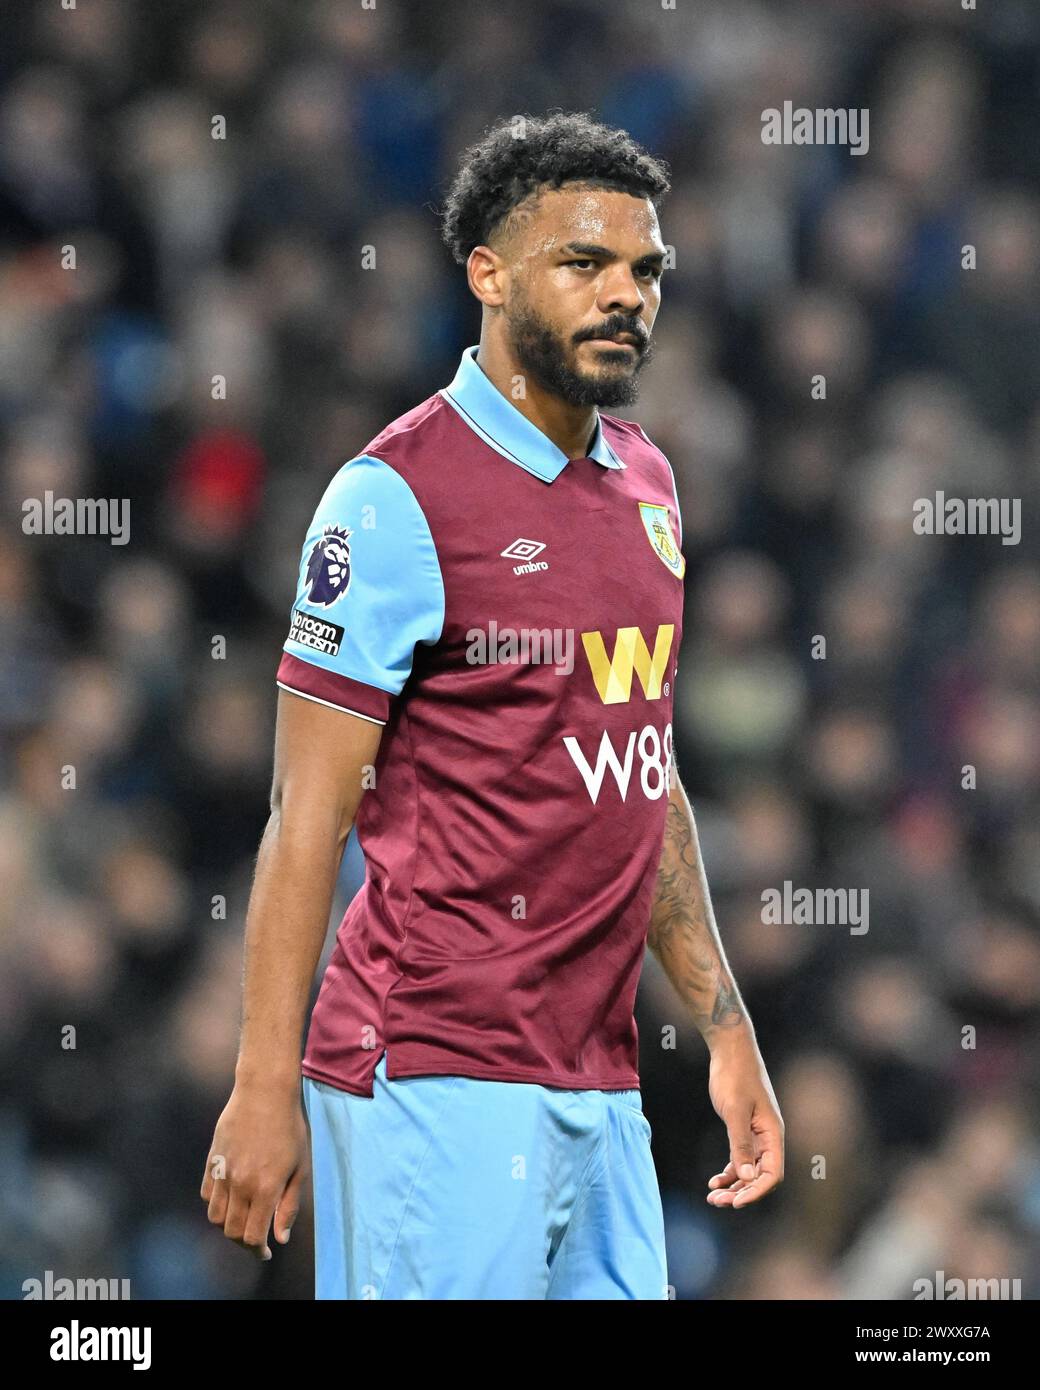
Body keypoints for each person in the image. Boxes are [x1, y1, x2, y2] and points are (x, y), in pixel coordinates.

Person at [201, 111, 784, 1300]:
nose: (625, 294)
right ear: (488, 273)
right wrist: (263, 1082)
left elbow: (639, 769)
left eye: (645, 270)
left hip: (598, 1076)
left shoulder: (650, 485)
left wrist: (724, 1023)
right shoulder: (393, 497)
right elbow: (302, 812)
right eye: (585, 263)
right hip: (431, 1070)